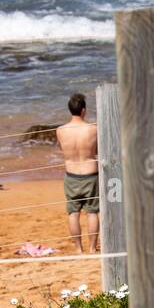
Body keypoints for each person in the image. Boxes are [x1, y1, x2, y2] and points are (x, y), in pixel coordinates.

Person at [55, 92, 99, 252]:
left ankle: (78, 249)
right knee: (92, 212)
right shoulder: (93, 129)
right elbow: (97, 149)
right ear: (83, 111)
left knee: (73, 212)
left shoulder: (60, 130)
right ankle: (93, 248)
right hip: (91, 174)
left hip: (71, 174)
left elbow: (61, 148)